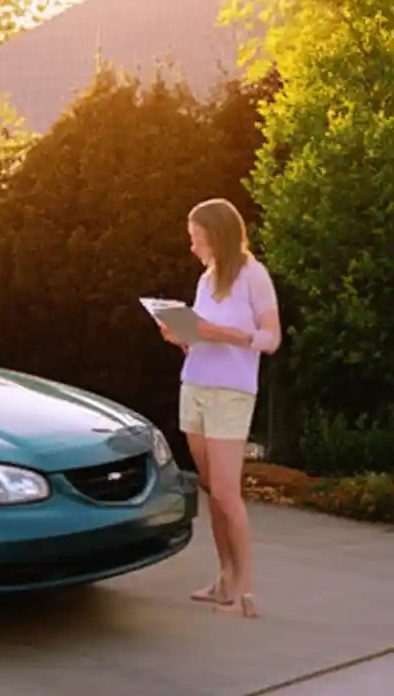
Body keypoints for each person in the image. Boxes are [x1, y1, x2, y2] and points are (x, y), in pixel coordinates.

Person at [158, 197, 281, 619]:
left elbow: (271, 338)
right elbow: (201, 337)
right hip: (195, 386)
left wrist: (224, 334)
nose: (193, 247)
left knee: (229, 494)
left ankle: (244, 594)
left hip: (231, 394)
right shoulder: (206, 278)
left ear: (218, 234)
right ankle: (224, 579)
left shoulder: (253, 276)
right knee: (213, 490)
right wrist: (184, 336)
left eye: (198, 238)